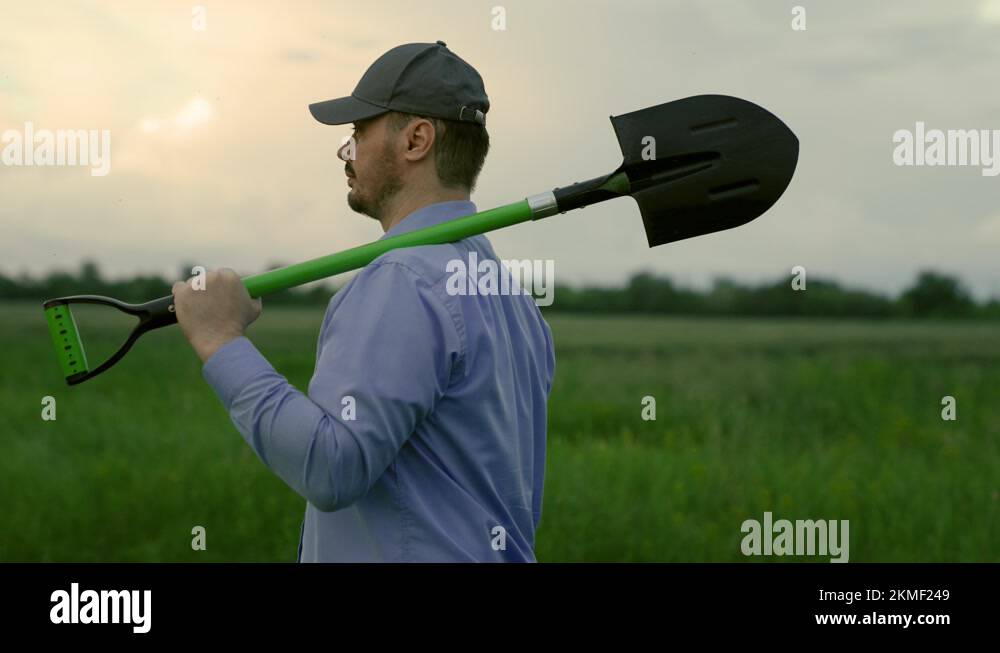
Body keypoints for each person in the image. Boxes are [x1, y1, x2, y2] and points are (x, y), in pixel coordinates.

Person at [172, 41, 556, 562]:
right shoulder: (512, 297)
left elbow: (333, 467)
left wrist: (221, 341)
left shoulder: (401, 281)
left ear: (416, 139)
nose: (345, 152)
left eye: (358, 133)